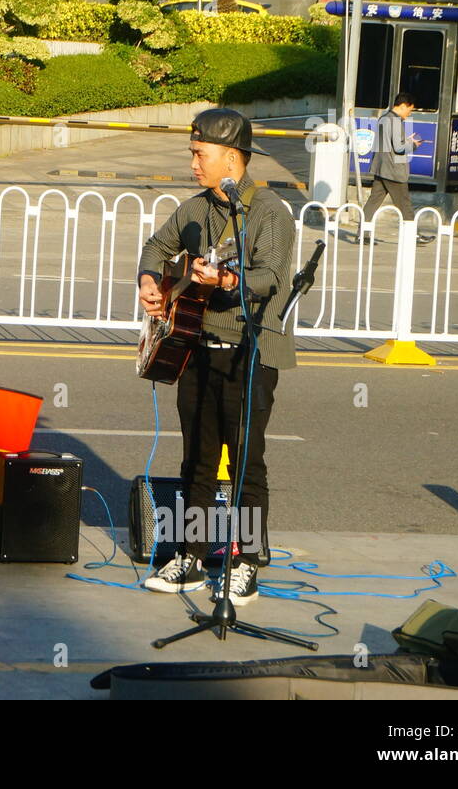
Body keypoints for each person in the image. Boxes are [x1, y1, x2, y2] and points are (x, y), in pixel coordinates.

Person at [137, 108, 297, 607]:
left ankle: (246, 563)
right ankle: (190, 555)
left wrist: (228, 281)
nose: (192, 164)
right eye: (192, 154)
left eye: (199, 155)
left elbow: (270, 276)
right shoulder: (196, 209)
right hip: (197, 349)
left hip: (249, 355)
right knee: (196, 463)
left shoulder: (270, 212)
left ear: (232, 158)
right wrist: (148, 281)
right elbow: (154, 246)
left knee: (247, 464)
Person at [361, 92, 434, 245]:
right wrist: (413, 144)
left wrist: (406, 140)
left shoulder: (384, 118)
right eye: (410, 109)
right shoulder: (395, 121)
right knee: (405, 204)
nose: (410, 113)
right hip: (393, 170)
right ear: (402, 106)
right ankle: (412, 236)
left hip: (381, 167)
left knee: (373, 201)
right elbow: (399, 148)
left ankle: (363, 234)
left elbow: (388, 143)